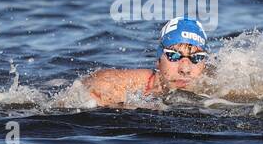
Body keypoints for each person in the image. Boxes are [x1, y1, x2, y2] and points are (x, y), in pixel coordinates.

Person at [81, 17, 211, 107]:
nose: (185, 69)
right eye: (174, 56)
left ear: (204, 64)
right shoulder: (122, 86)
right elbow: (96, 85)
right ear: (158, 60)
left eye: (196, 57)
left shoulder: (218, 88)